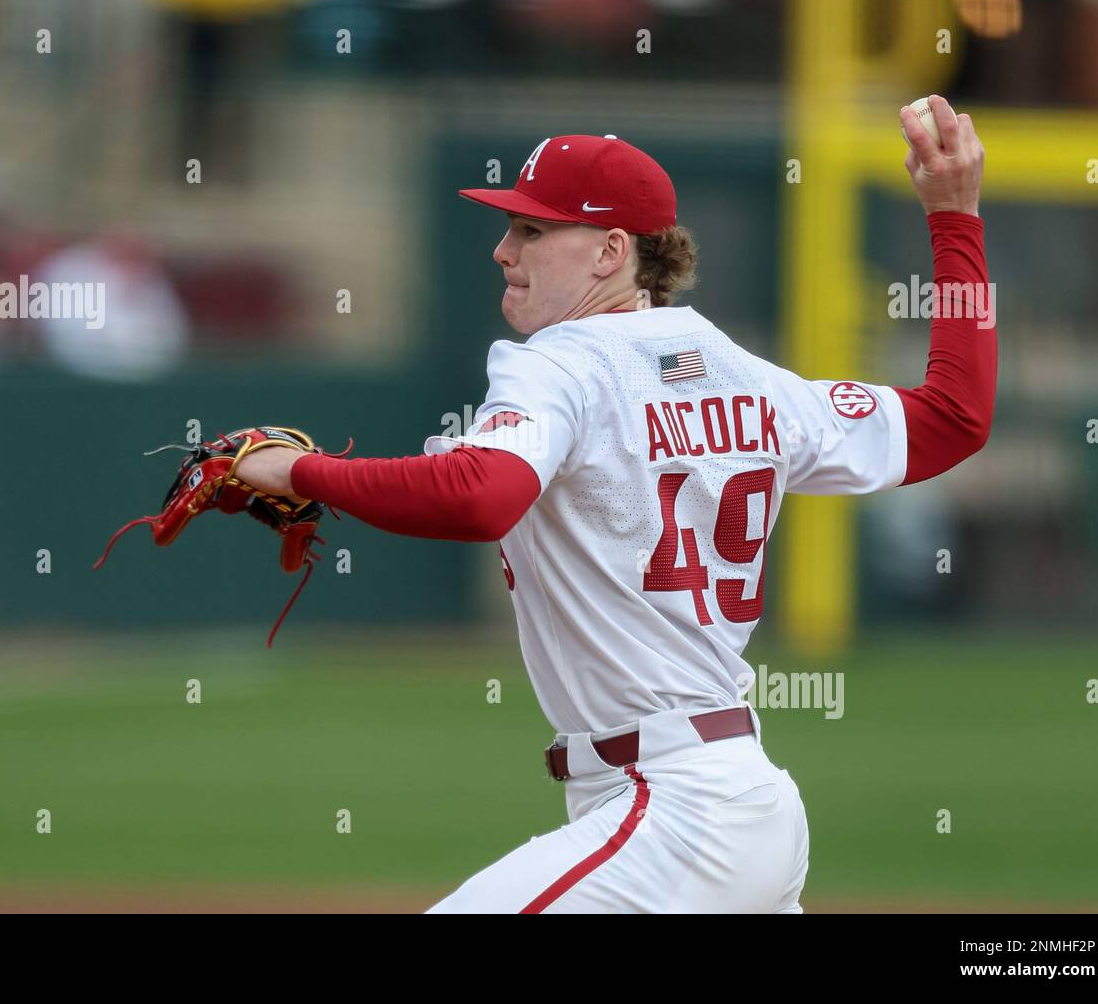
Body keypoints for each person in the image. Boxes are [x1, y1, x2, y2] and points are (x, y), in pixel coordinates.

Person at [234, 98, 994, 913]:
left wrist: (300, 472)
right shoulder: (748, 378)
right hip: (738, 801)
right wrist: (954, 222)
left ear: (610, 251)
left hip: (669, 810)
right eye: (509, 227)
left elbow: (483, 497)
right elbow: (953, 417)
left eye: (532, 230)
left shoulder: (561, 363)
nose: (503, 249)